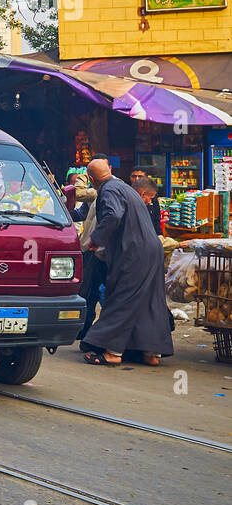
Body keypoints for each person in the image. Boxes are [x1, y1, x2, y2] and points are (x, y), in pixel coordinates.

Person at [80, 157, 173, 367]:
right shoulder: (124, 187)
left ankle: (112, 352)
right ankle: (151, 353)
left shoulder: (109, 189)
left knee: (122, 297)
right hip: (151, 250)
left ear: (92, 180)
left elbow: (113, 216)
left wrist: (97, 238)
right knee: (150, 301)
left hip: (134, 253)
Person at [70, 170, 107, 337]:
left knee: (100, 292)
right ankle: (83, 329)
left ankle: (100, 332)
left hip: (102, 250)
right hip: (89, 250)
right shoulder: (93, 195)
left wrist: (84, 175)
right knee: (88, 292)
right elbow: (81, 213)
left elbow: (78, 192)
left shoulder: (108, 192)